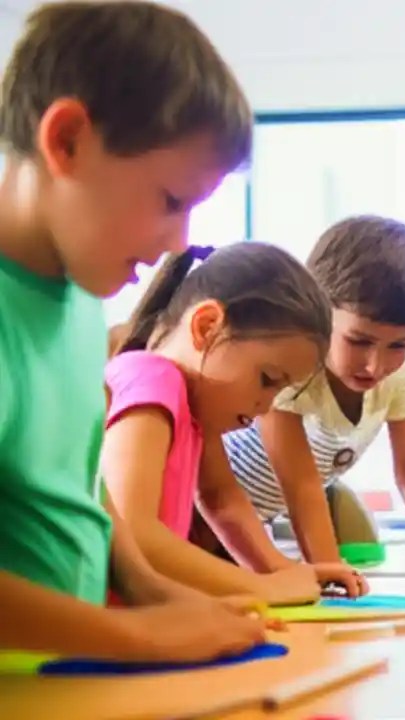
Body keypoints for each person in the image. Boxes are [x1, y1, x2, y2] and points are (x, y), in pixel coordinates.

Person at [0, 0, 267, 660]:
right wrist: (131, 634)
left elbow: (80, 483)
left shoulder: (79, 303)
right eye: (170, 202)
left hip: (69, 678)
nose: (179, 242)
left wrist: (152, 591)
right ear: (66, 141)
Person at [103, 243, 349, 604]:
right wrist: (264, 588)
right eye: (267, 379)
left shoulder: (193, 408)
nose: (265, 406)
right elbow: (130, 527)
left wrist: (283, 572)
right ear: (207, 326)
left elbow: (222, 499)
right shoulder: (153, 378)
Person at [219, 217, 405, 576]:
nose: (375, 366)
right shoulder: (289, 371)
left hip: (256, 517)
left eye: (398, 345)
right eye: (359, 341)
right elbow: (301, 486)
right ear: (318, 310)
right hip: (211, 508)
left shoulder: (400, 376)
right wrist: (330, 572)